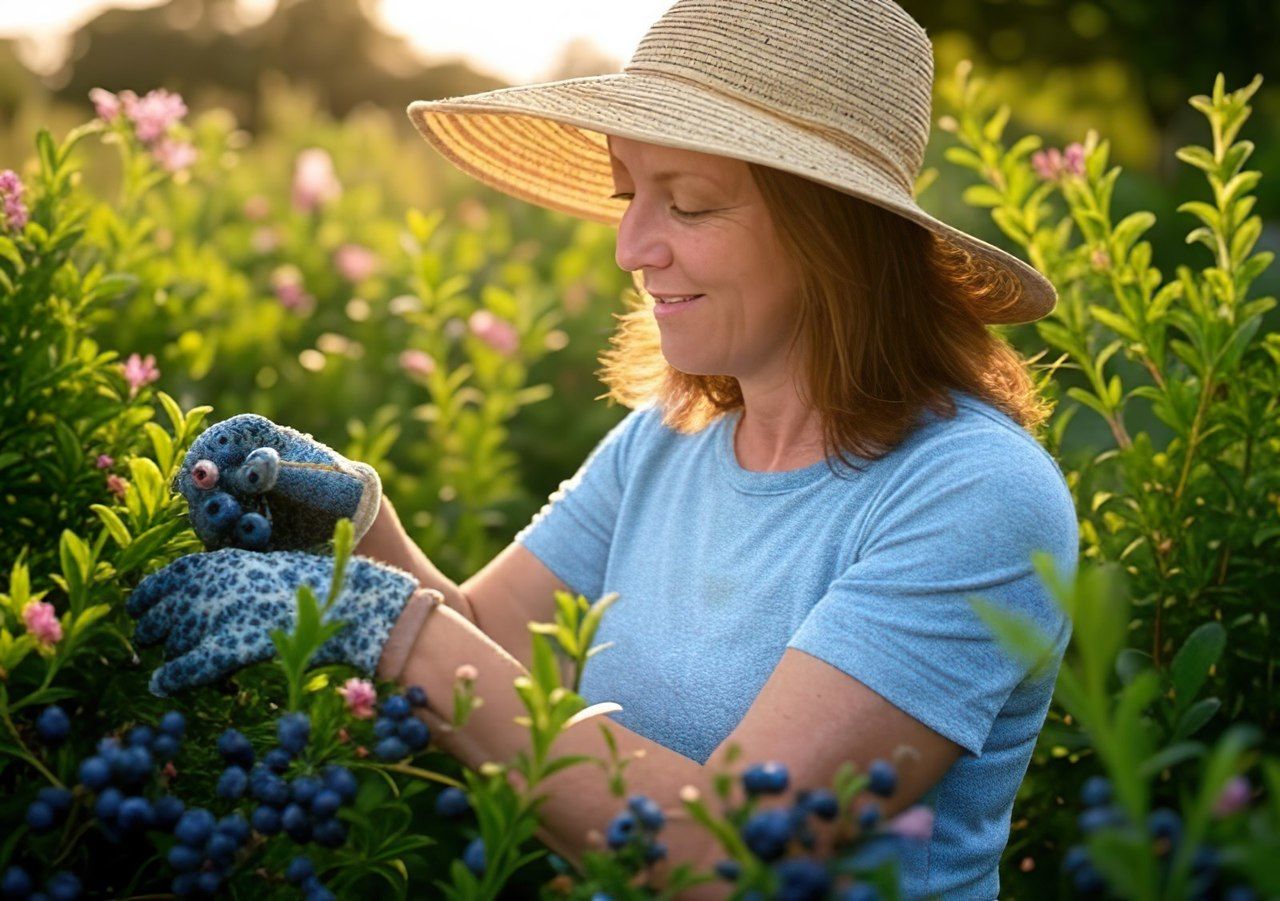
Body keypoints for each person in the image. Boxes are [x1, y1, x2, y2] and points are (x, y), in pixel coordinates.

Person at [127, 0, 1080, 896]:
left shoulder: (973, 495)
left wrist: (388, 622)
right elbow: (486, 649)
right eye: (630, 192)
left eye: (689, 203)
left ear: (836, 236)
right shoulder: (670, 437)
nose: (630, 247)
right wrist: (356, 526)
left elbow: (725, 853)